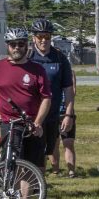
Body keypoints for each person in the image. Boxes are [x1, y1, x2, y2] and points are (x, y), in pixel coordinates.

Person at [0, 28, 53, 172]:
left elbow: (46, 98)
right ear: (8, 46)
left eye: (20, 44)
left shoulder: (37, 69)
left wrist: (38, 122)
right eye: (13, 44)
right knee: (13, 165)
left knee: (33, 168)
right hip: (9, 123)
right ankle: (10, 192)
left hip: (32, 123)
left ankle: (25, 195)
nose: (17, 48)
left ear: (27, 45)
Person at [25, 20, 76, 174]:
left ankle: (38, 183)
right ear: (34, 38)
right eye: (40, 36)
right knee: (32, 153)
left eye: (46, 37)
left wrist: (68, 114)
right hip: (30, 115)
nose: (43, 40)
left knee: (48, 150)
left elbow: (68, 89)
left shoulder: (60, 58)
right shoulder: (27, 56)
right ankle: (33, 185)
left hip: (52, 114)